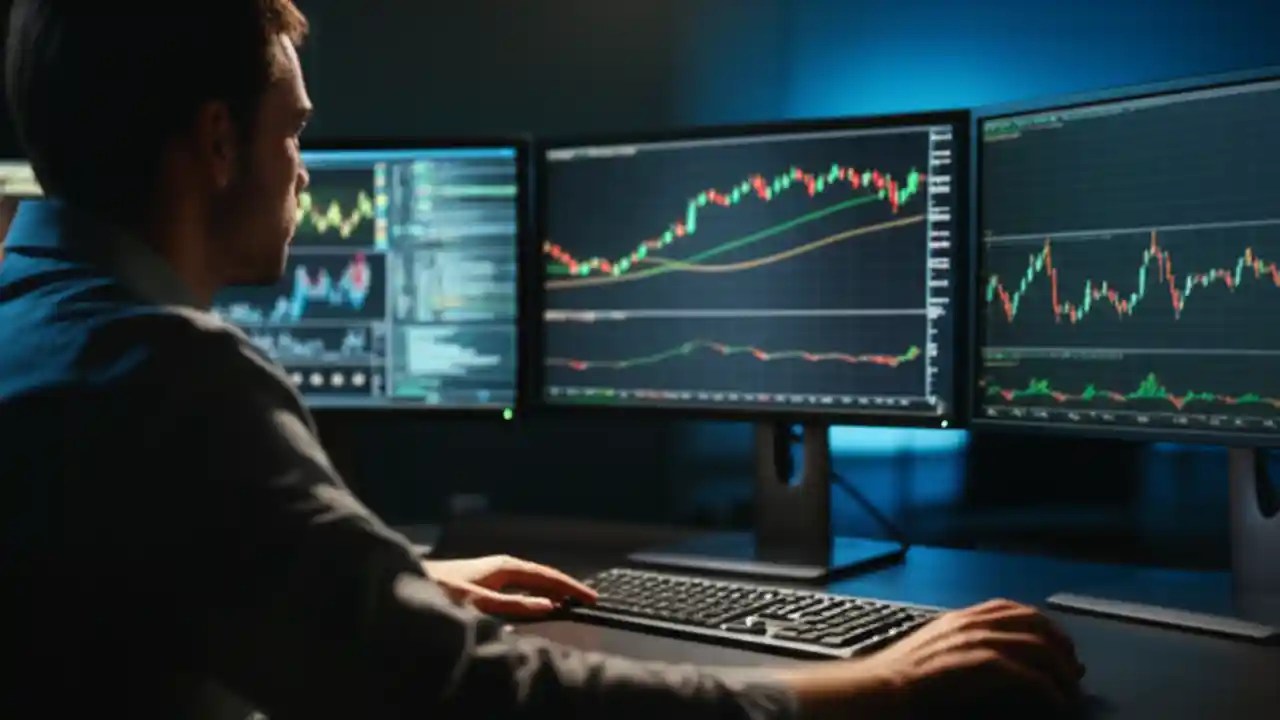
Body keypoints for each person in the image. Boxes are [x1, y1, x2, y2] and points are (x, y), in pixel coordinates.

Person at [0, 2, 1084, 719]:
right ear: (217, 141)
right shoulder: (170, 376)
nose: (305, 171)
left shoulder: (38, 329)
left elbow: (131, 571)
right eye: (294, 132)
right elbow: (471, 700)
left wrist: (388, 582)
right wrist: (876, 691)